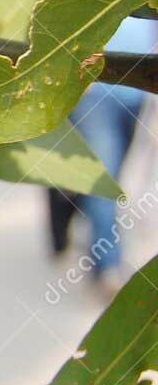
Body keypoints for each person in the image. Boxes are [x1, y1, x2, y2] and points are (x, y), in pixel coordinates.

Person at [51, 15, 157, 293]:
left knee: (115, 175)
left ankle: (91, 235)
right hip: (95, 95)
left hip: (136, 97)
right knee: (104, 180)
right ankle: (108, 265)